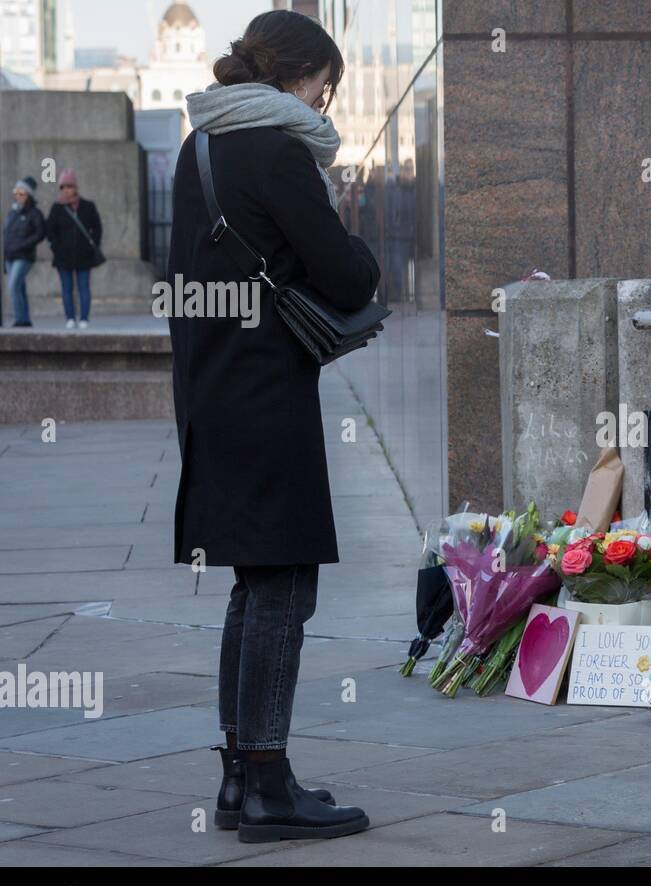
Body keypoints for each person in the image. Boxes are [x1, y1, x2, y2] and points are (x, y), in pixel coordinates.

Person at [168, 9, 379, 843]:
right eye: (324, 89)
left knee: (253, 584)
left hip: (212, 385)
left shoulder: (203, 146)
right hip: (265, 392)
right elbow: (348, 271)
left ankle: (238, 778)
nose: (325, 106)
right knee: (284, 585)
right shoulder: (281, 150)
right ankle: (268, 787)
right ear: (296, 76)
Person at [45, 169, 103, 329]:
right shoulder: (57, 208)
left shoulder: (88, 206)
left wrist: (93, 246)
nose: (67, 189)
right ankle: (70, 317)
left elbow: (97, 228)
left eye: (69, 186)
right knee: (66, 289)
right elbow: (50, 230)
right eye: (63, 186)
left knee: (84, 287)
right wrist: (56, 247)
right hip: (63, 256)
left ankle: (84, 318)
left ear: (75, 187)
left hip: (83, 255)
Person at [3, 176, 45, 328]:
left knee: (13, 285)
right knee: (19, 287)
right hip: (9, 256)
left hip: (24, 256)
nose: (18, 196)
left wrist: (23, 245)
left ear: (28, 195)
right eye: (16, 192)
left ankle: (20, 319)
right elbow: (6, 235)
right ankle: (25, 318)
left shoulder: (34, 213)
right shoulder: (12, 213)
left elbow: (40, 234)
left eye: (21, 193)